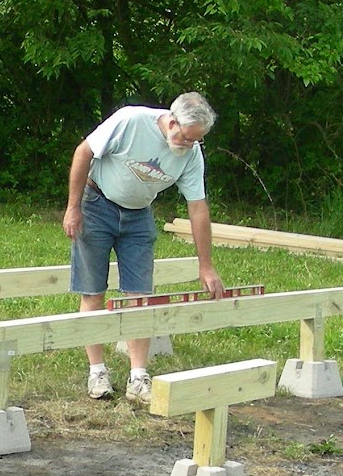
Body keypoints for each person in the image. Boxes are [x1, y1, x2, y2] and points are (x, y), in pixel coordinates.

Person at [63, 92, 226, 402]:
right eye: (186, 138)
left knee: (140, 296)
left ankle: (139, 377)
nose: (189, 146)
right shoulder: (131, 121)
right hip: (96, 204)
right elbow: (83, 152)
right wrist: (74, 208)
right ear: (172, 121)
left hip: (138, 215)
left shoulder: (191, 154)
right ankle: (97, 371)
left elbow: (198, 208)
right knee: (93, 290)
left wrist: (205, 265)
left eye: (196, 141)